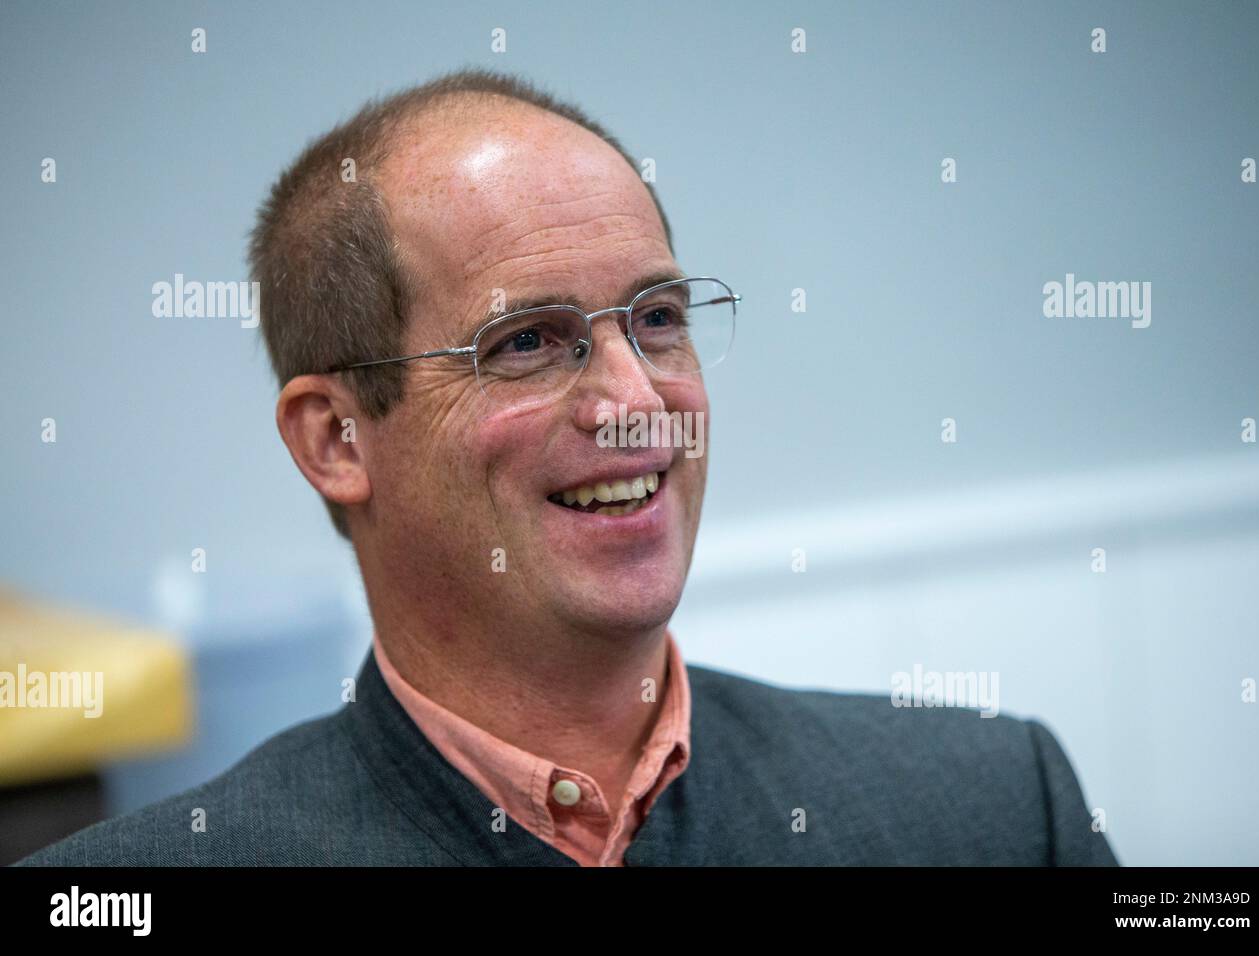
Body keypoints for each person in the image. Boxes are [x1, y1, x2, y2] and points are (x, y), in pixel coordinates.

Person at [17, 67, 1118, 867]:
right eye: (527, 342)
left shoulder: (987, 807)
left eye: (659, 318)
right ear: (336, 439)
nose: (637, 402)